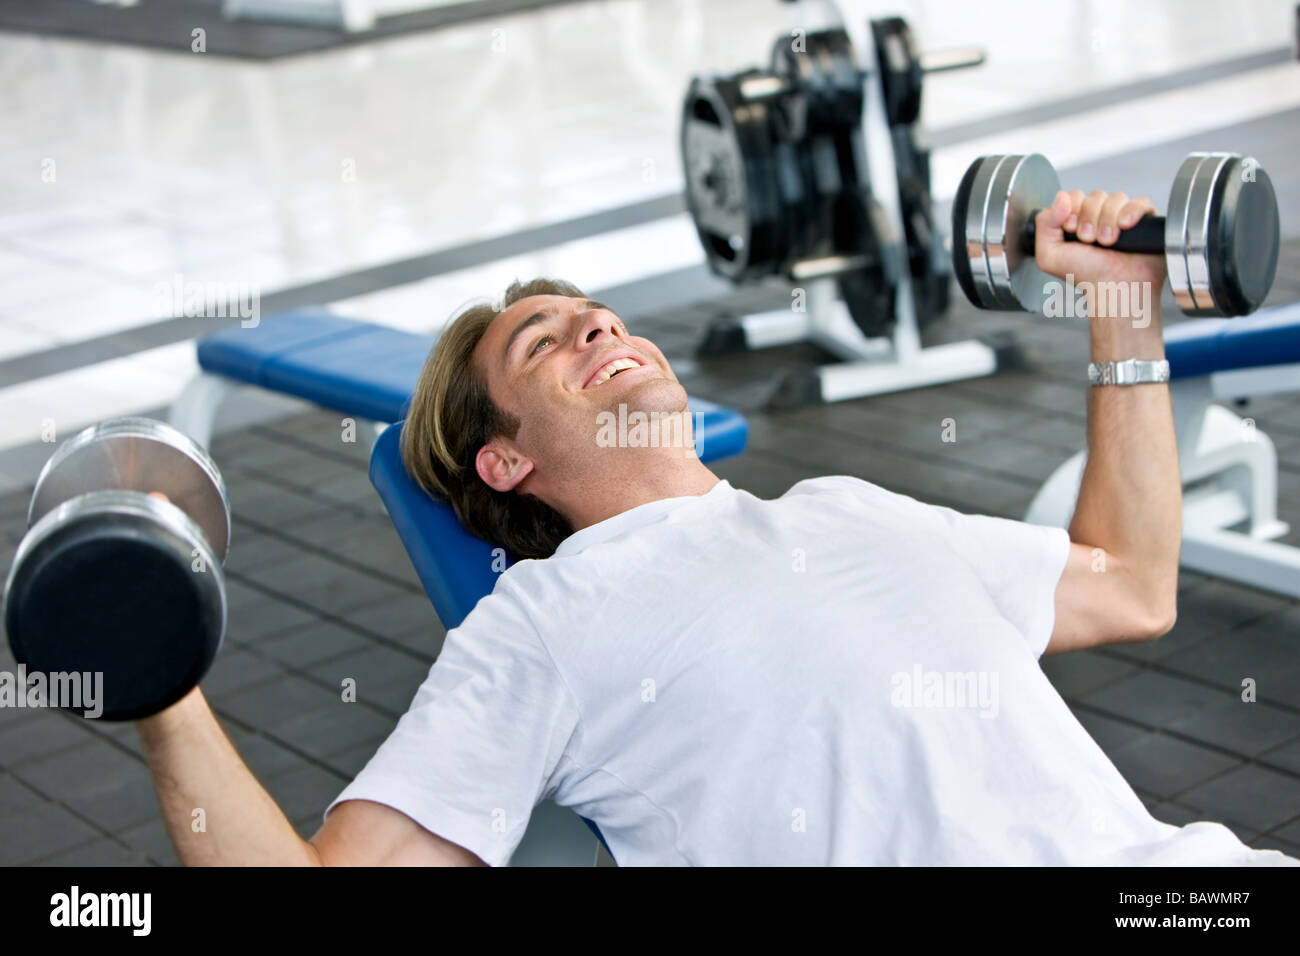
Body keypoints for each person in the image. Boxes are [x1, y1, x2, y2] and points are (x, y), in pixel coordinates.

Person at [136, 186, 1299, 866]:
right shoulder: (537, 624)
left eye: (598, 316)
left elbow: (1133, 581)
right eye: (546, 343)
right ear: (508, 458)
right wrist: (163, 687)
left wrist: (1117, 309)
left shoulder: (847, 504)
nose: (600, 330)